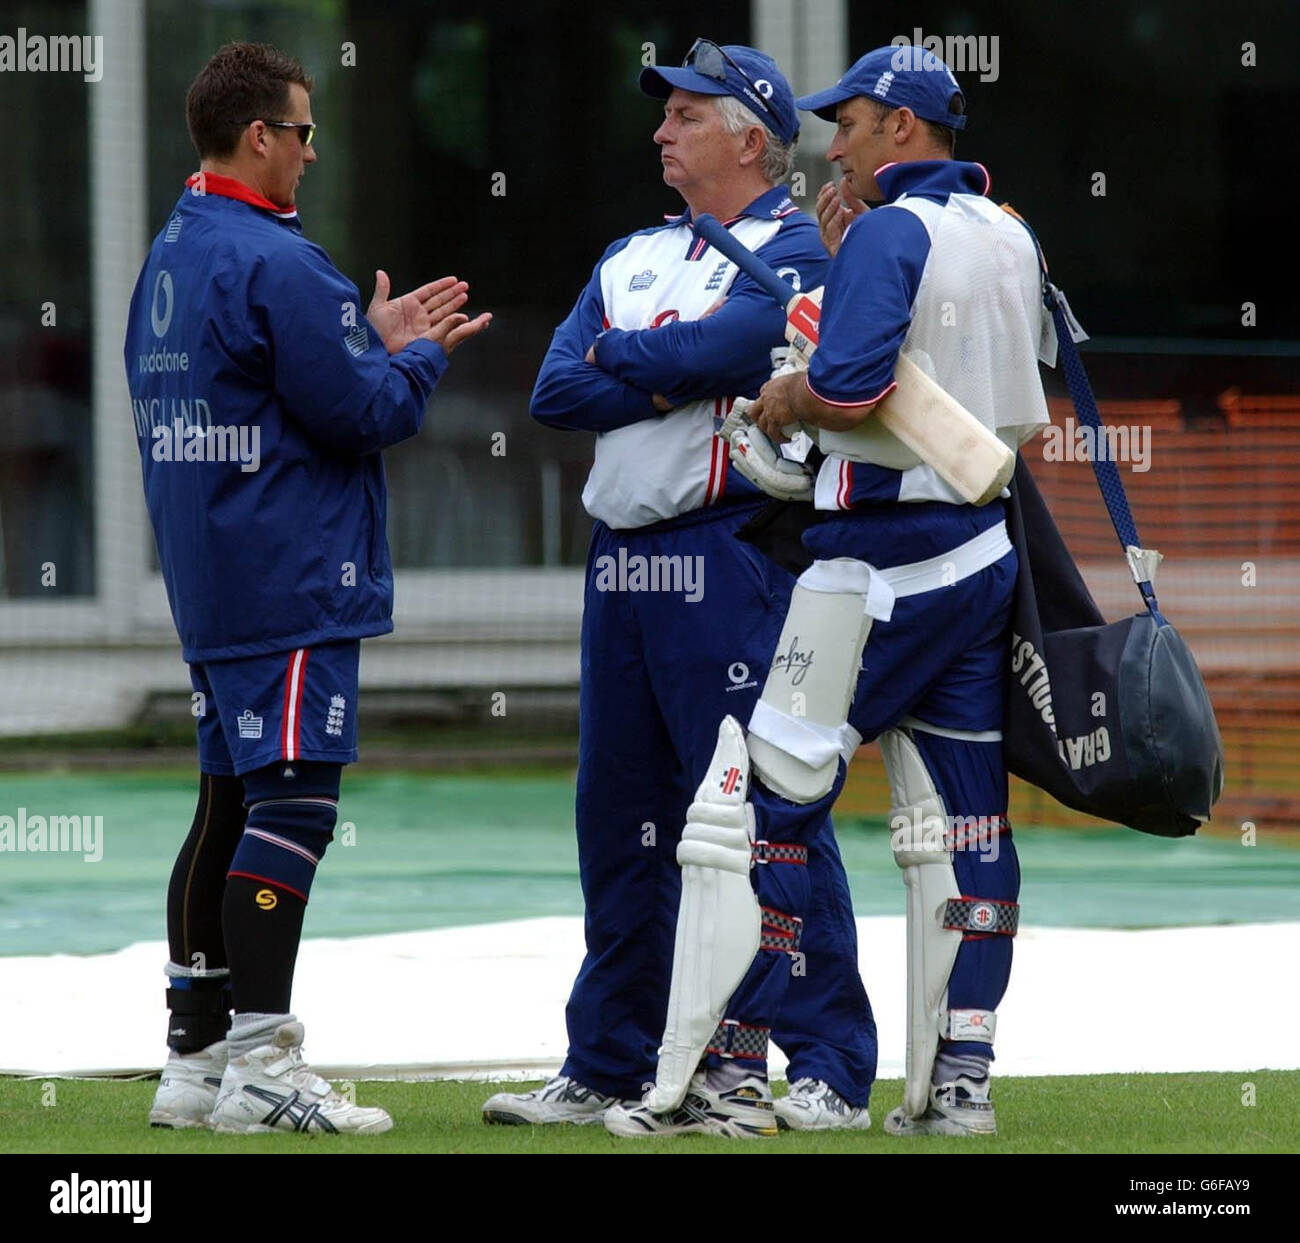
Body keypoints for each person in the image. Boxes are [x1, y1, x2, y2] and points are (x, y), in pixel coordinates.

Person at [607, 45, 1054, 1139]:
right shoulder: (1006, 229)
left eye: (848, 122)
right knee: (968, 819)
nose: (833, 142)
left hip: (873, 563)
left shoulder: (894, 230)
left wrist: (779, 398)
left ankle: (731, 1078)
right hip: (980, 553)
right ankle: (961, 1081)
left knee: (761, 806)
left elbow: (851, 390)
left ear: (901, 128)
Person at [482, 40, 875, 1137]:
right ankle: (609, 1057)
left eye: (687, 116)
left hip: (730, 550)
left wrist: (634, 358)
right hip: (623, 558)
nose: (662, 130)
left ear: (752, 135)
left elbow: (756, 336)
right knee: (621, 816)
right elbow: (558, 387)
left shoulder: (796, 249)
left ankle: (822, 1060)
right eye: (665, 117)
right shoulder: (633, 248)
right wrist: (674, 361)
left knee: (764, 809)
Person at [128, 42, 490, 1135]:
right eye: (302, 130)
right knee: (292, 808)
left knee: (225, 804)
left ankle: (192, 1063)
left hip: (213, 578)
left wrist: (359, 343)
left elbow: (284, 383)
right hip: (287, 576)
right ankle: (265, 1064)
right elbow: (364, 414)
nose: (312, 150)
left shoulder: (174, 247)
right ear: (258, 139)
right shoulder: (281, 262)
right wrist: (412, 357)